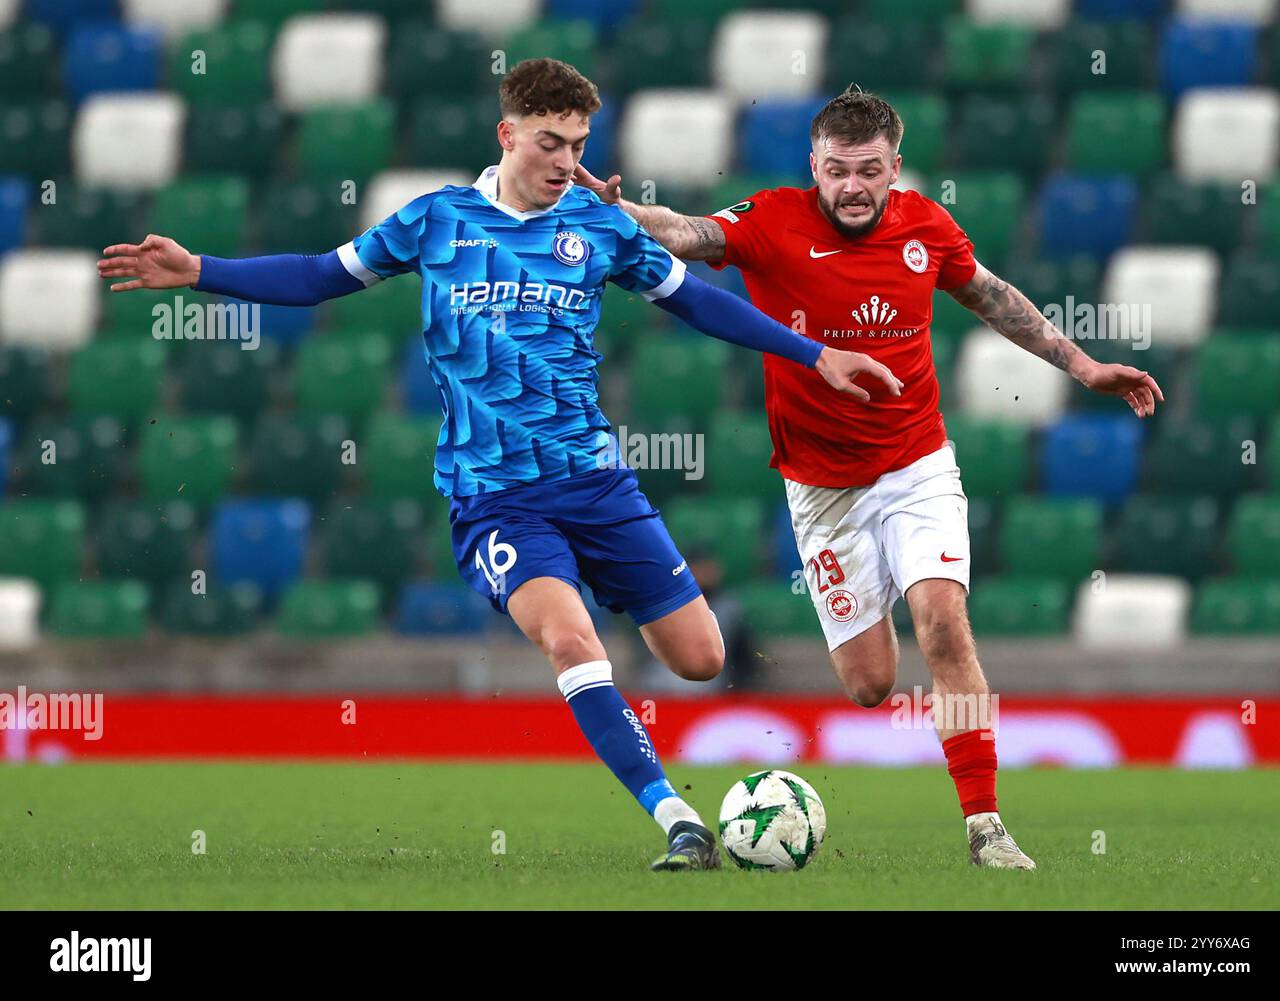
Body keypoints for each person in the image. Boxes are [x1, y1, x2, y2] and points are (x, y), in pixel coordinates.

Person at [95, 60, 894, 872]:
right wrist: (201, 270)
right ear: (508, 134)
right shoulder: (435, 220)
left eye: (578, 144)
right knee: (571, 639)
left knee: (702, 657)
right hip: (496, 497)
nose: (564, 161)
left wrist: (812, 352)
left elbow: (698, 299)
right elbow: (317, 276)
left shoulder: (599, 225)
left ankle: (615, 602)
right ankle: (678, 821)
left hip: (598, 482)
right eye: (550, 142)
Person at [575, 86, 1165, 870]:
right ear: (814, 165)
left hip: (916, 462)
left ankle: (986, 828)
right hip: (823, 489)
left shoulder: (927, 225)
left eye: (871, 170)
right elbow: (690, 232)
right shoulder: (775, 219)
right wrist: (626, 215)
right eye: (838, 169)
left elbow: (993, 296)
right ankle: (881, 613)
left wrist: (1083, 363)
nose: (853, 186)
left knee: (945, 624)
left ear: (895, 168)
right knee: (869, 685)